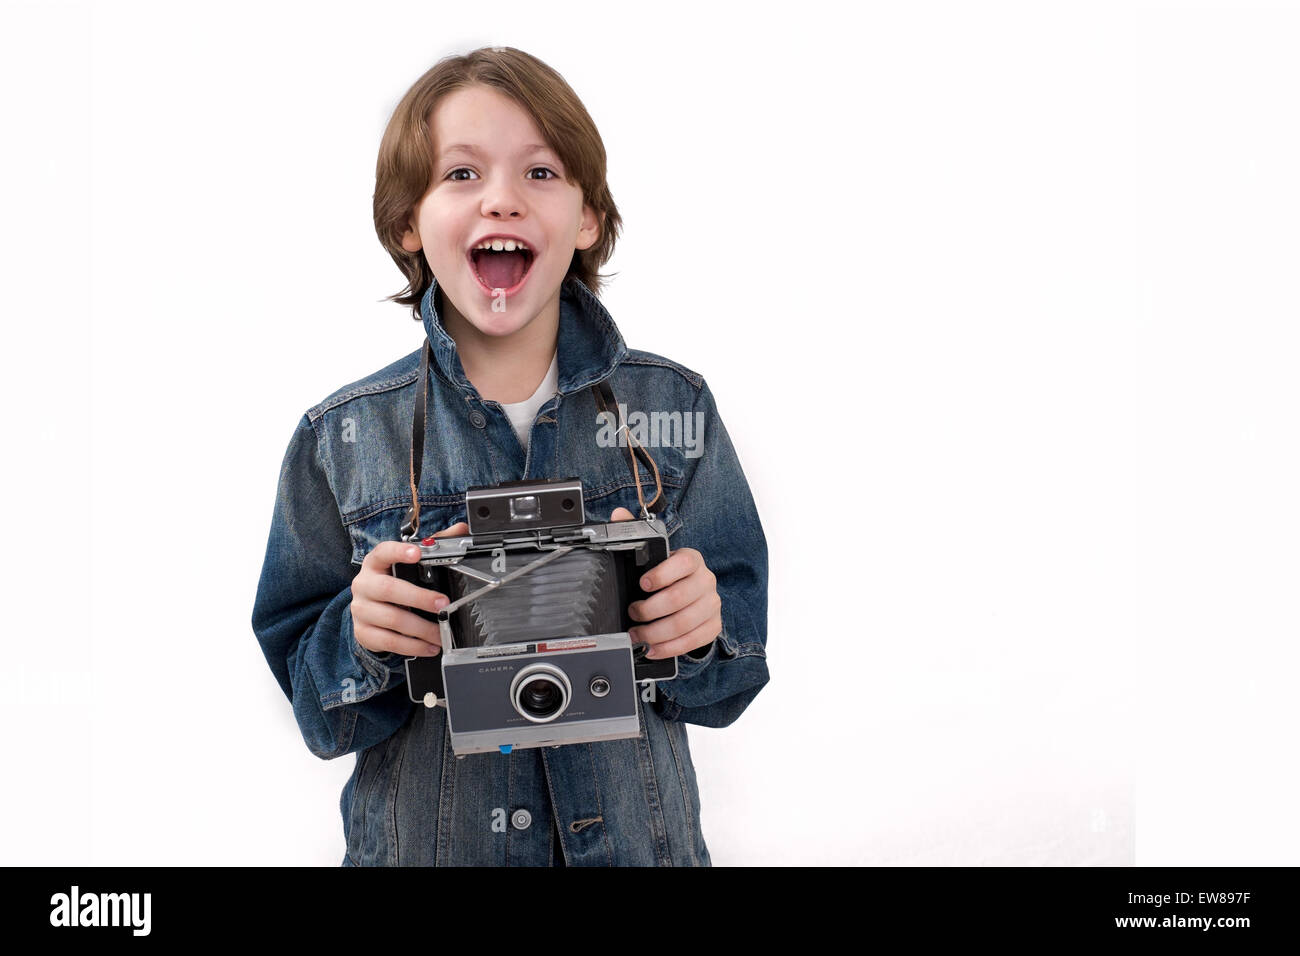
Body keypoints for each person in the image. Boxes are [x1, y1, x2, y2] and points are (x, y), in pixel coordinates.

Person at [250, 46, 769, 866]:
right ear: (406, 223)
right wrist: (361, 640)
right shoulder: (341, 439)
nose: (501, 198)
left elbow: (730, 683)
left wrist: (703, 634)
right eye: (461, 175)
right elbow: (321, 716)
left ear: (589, 218)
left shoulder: (674, 411)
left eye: (541, 173)